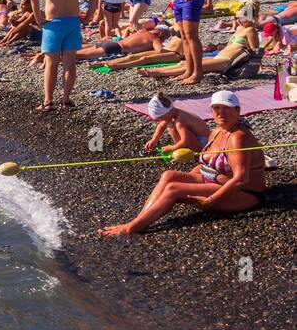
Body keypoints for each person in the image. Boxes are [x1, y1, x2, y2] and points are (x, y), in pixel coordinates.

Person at [100, 91, 267, 235]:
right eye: (216, 108)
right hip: (215, 180)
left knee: (174, 189)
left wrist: (211, 200)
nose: (221, 113)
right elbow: (205, 165)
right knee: (169, 175)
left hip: (245, 194)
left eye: (226, 108)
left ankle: (131, 228)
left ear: (237, 111)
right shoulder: (217, 131)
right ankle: (139, 219)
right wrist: (189, 177)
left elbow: (241, 179)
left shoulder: (239, 137)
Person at [28, 0, 99, 111]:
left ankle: (48, 102)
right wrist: (87, 18)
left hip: (54, 24)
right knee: (70, 63)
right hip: (73, 23)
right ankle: (66, 100)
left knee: (51, 63)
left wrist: (39, 19)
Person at [138, 12, 260, 79]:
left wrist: (257, 66)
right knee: (186, 63)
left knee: (197, 67)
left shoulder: (250, 30)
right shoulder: (239, 28)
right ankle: (157, 70)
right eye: (236, 17)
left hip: (228, 61)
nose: (237, 20)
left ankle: (156, 73)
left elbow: (255, 51)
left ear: (248, 18)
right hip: (221, 56)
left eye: (240, 18)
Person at [143, 92, 211, 155]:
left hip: (205, 144)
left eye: (161, 118)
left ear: (167, 113)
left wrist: (172, 148)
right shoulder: (173, 113)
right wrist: (154, 140)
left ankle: (191, 153)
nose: (161, 120)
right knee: (170, 125)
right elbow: (161, 126)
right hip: (201, 139)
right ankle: (182, 148)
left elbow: (185, 141)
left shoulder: (180, 121)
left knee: (172, 127)